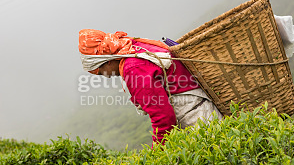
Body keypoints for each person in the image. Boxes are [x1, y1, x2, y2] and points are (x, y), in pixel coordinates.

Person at [79, 29, 223, 145]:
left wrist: (158, 154)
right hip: (202, 109)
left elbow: (163, 117)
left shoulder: (133, 69)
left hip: (198, 120)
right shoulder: (133, 47)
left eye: (100, 72)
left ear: (107, 62)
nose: (106, 76)